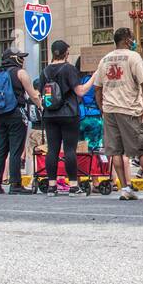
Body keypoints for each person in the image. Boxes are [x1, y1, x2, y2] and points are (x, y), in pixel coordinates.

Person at [86, 28, 143, 201]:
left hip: (110, 111)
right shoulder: (133, 57)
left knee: (116, 151)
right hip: (130, 109)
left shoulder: (104, 60)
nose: (133, 42)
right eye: (132, 39)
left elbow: (98, 88)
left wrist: (102, 108)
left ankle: (125, 188)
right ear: (127, 40)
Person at [0, 47, 42, 195]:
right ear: (14, 58)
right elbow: (33, 95)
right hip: (15, 113)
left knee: (1, 148)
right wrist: (41, 106)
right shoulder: (20, 73)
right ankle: (15, 184)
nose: (22, 60)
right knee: (16, 150)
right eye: (20, 57)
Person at [39, 39, 85, 196]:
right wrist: (93, 79)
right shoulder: (69, 69)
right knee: (69, 150)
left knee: (52, 149)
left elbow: (41, 93)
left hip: (50, 114)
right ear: (66, 53)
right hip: (68, 113)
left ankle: (52, 186)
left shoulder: (45, 71)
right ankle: (73, 185)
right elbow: (80, 91)